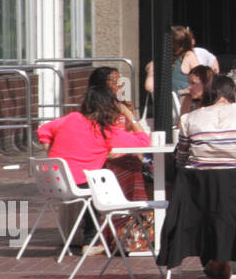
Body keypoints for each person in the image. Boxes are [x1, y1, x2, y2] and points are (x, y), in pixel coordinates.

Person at [170, 74, 236, 279]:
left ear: (209, 93)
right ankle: (231, 259)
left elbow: (180, 159)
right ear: (233, 92)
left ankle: (216, 259)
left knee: (213, 206)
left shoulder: (190, 118)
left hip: (200, 195)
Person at [38, 84, 152, 247]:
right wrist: (129, 114)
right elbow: (143, 141)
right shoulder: (105, 130)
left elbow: (43, 130)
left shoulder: (70, 118)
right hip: (79, 184)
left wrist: (52, 157)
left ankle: (93, 237)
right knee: (105, 178)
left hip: (53, 181)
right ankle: (94, 239)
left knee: (97, 178)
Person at [143, 24, 200, 100]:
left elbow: (149, 87)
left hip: (165, 106)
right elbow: (201, 78)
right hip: (184, 105)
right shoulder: (188, 56)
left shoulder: (158, 61)